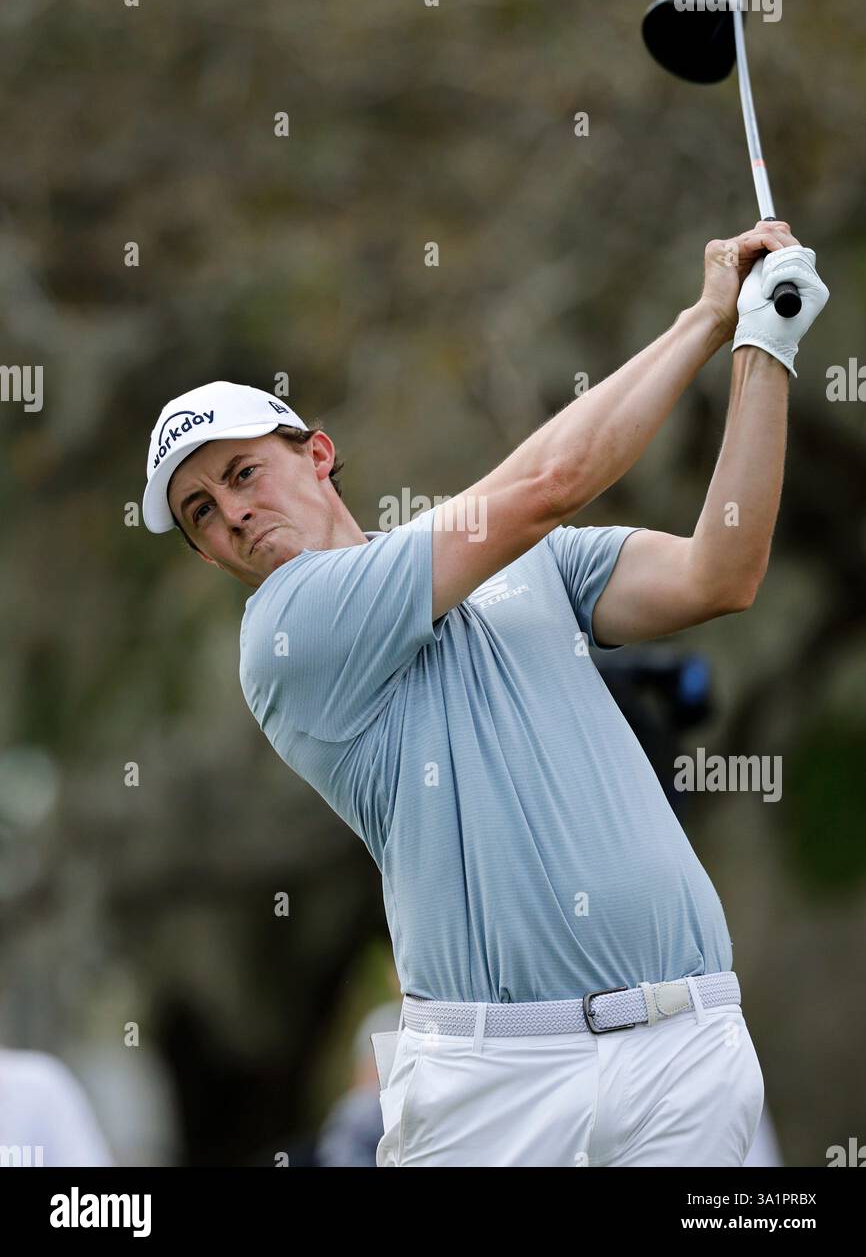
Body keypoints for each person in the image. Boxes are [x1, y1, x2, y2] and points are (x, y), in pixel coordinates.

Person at [141, 223, 828, 1166]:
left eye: (242, 473)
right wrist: (706, 321)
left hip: (685, 1044)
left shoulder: (526, 565)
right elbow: (548, 483)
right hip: (494, 1084)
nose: (234, 515)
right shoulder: (287, 634)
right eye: (200, 516)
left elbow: (720, 572)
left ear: (318, 454)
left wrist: (766, 346)